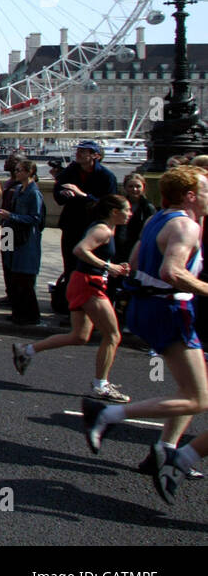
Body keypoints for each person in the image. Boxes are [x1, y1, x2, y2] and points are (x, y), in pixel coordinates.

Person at [81, 167, 208, 495]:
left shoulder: (157, 220)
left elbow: (136, 263)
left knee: (187, 390)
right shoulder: (186, 226)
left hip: (148, 308)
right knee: (198, 398)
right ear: (191, 195)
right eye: (206, 189)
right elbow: (172, 271)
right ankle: (107, 413)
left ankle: (165, 449)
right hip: (171, 309)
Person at [12, 194, 132, 401]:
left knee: (79, 336)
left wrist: (115, 268)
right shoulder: (102, 229)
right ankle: (101, 385)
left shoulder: (108, 229)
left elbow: (98, 256)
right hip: (88, 285)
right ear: (114, 212)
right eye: (127, 210)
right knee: (113, 335)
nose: (130, 213)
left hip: (84, 282)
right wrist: (107, 266)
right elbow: (80, 250)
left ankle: (26, 350)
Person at [53, 141, 118, 283]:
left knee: (89, 265)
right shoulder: (71, 170)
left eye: (83, 151)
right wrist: (64, 193)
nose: (78, 154)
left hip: (92, 226)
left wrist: (82, 195)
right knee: (70, 265)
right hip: (71, 225)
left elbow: (108, 204)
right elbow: (57, 192)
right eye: (78, 151)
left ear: (95, 155)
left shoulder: (106, 176)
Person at [0, 160, 46, 326]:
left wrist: (11, 216)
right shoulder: (17, 187)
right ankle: (17, 310)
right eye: (14, 169)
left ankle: (29, 315)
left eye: (18, 169)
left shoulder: (33, 192)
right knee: (10, 268)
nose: (15, 171)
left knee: (24, 275)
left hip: (23, 236)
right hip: (9, 231)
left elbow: (36, 218)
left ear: (29, 172)